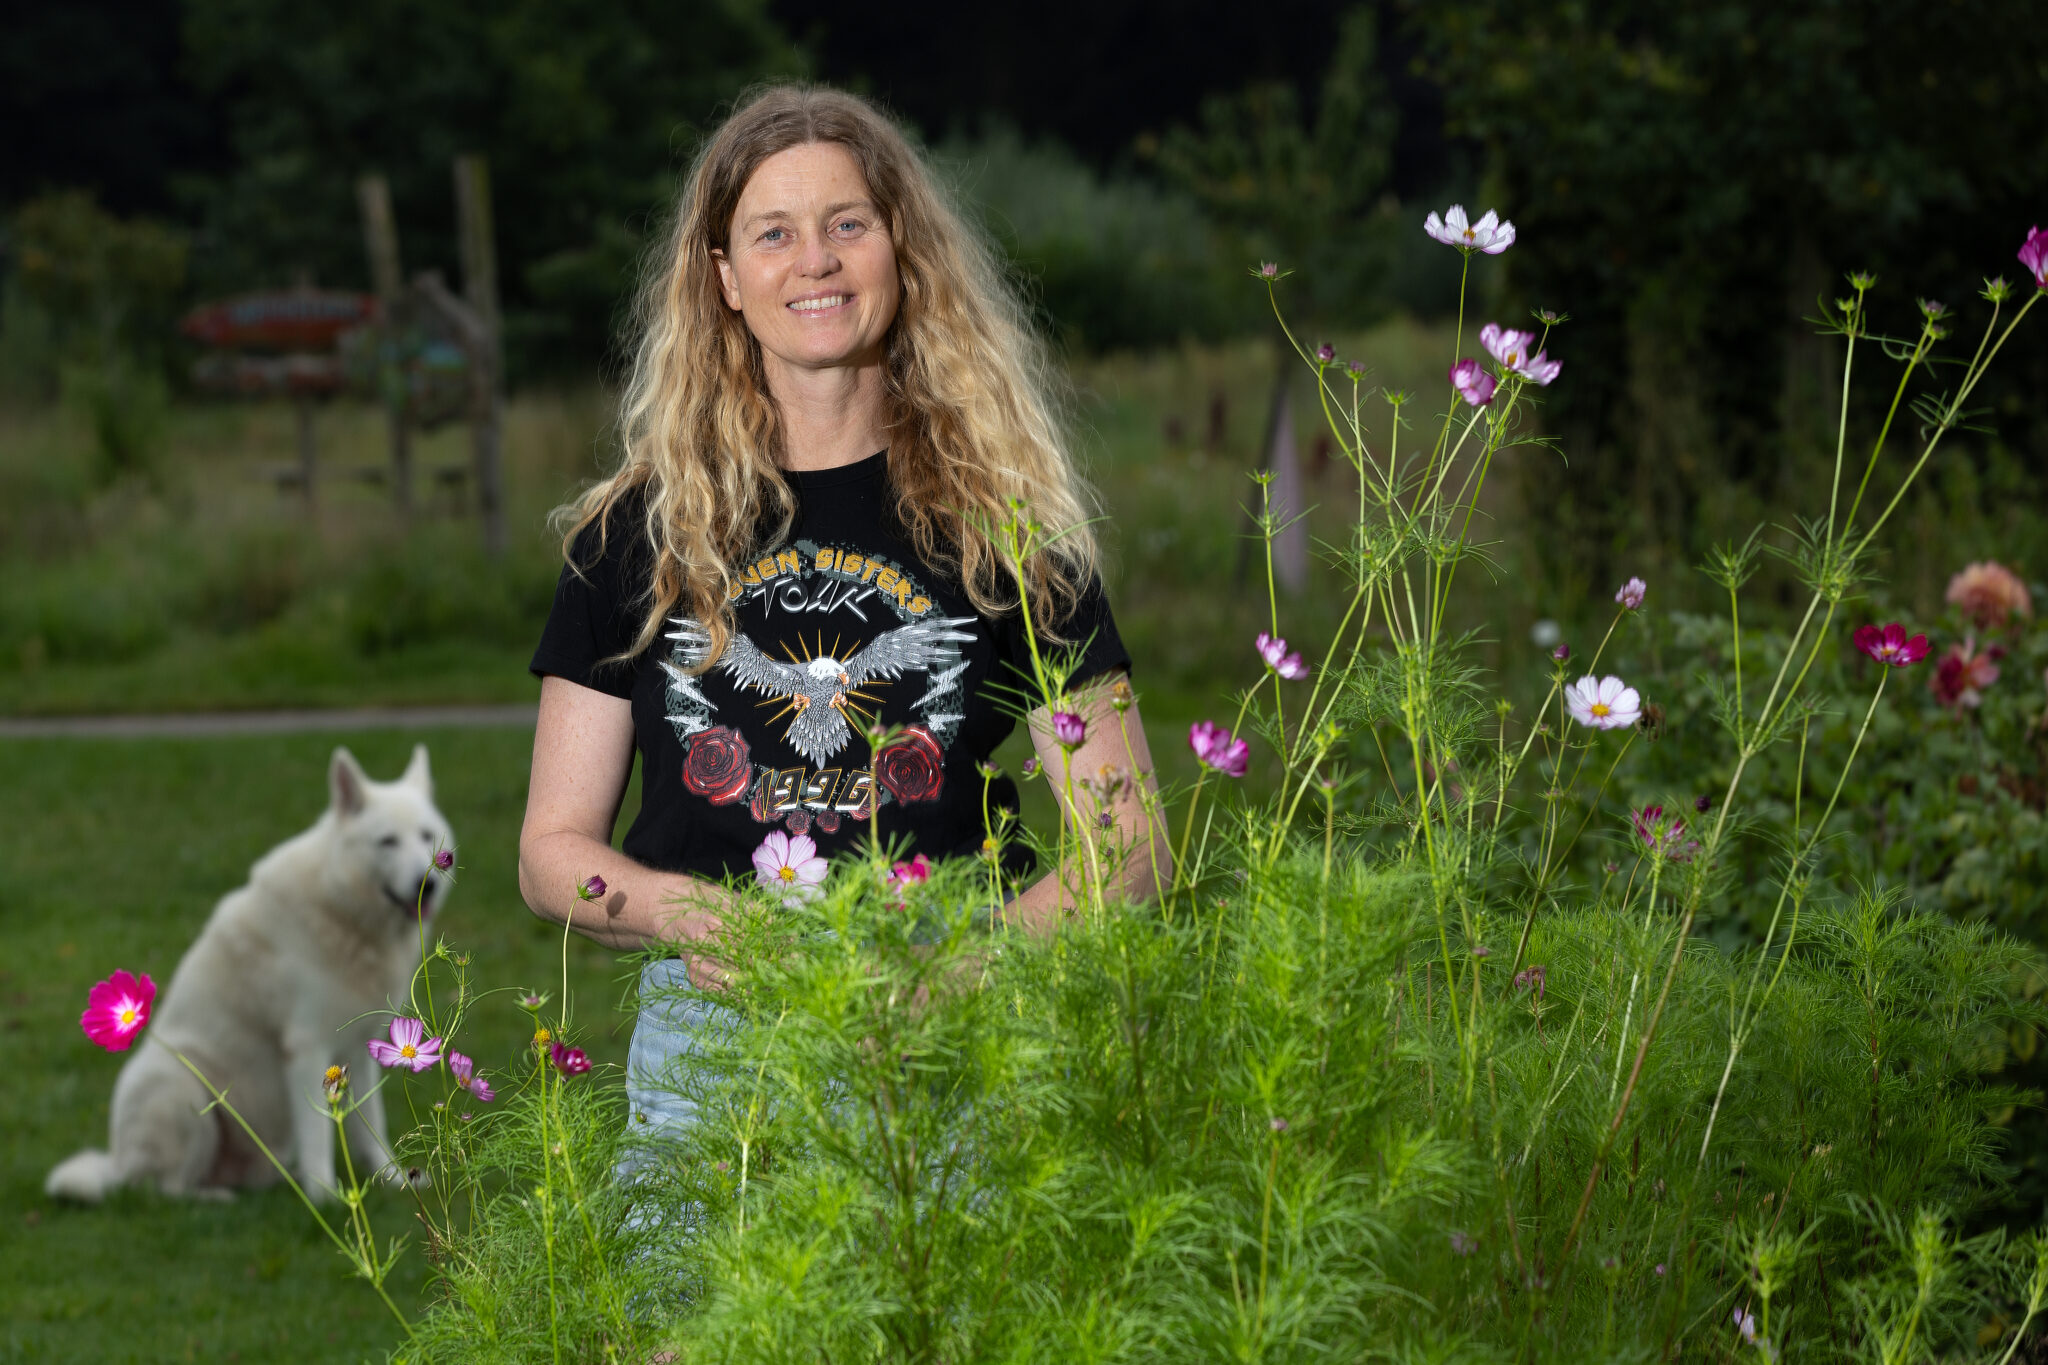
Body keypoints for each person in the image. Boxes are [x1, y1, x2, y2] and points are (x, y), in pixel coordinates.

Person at [516, 83, 1168, 1174]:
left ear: (899, 249)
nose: (813, 260)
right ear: (724, 278)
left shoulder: (1005, 529)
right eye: (772, 233)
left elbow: (1131, 847)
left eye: (846, 224)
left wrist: (963, 970)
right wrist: (696, 915)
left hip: (957, 1034)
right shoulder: (638, 535)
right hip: (713, 1049)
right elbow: (549, 855)